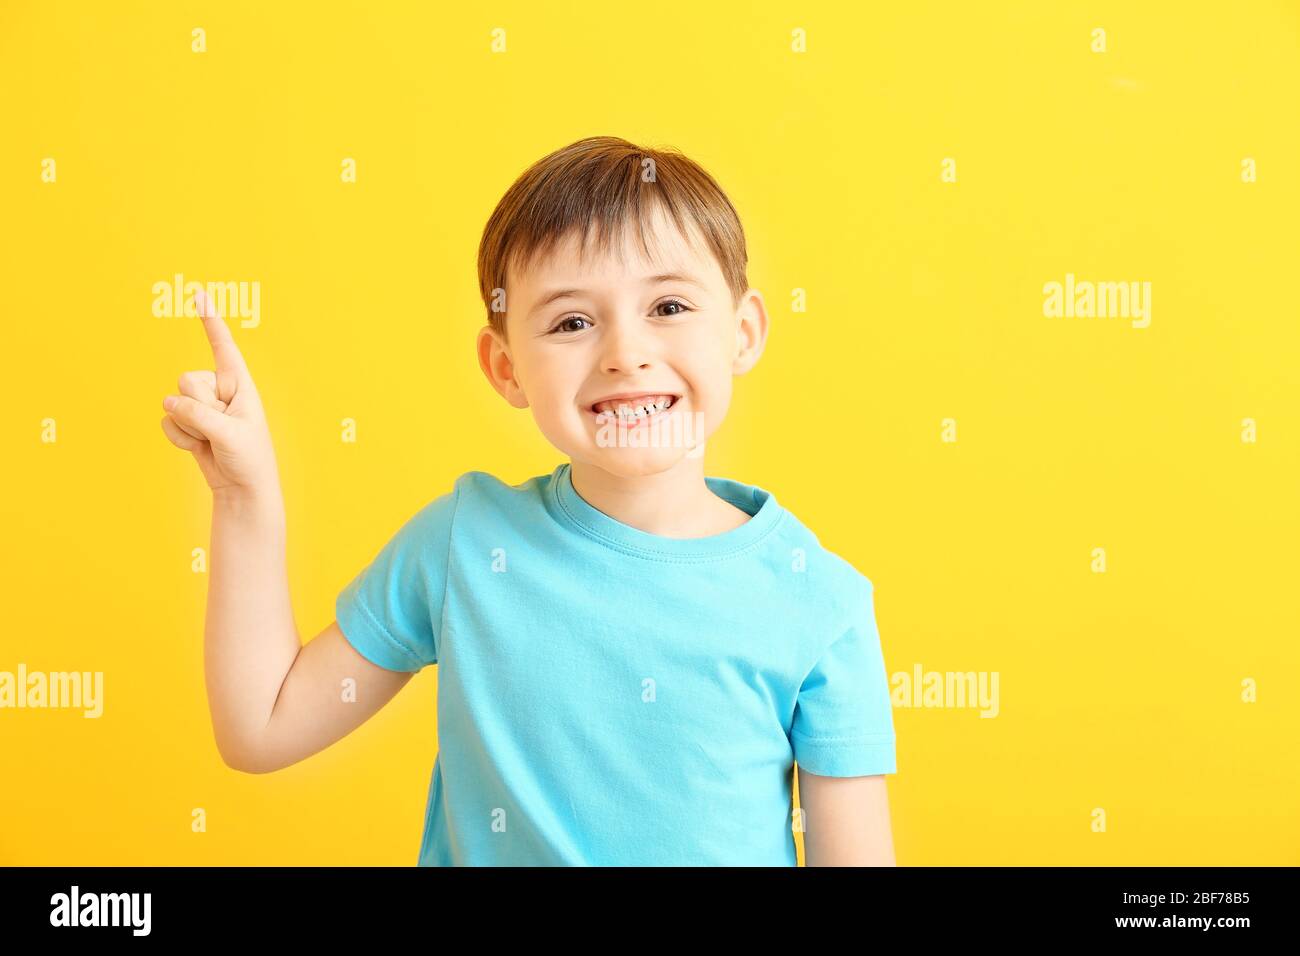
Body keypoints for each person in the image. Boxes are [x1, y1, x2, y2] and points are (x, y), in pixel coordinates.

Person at [160, 135, 897, 866]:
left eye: (668, 305)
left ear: (743, 334)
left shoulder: (818, 600)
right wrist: (244, 498)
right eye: (573, 322)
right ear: (505, 366)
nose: (624, 353)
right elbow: (260, 729)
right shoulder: (466, 546)